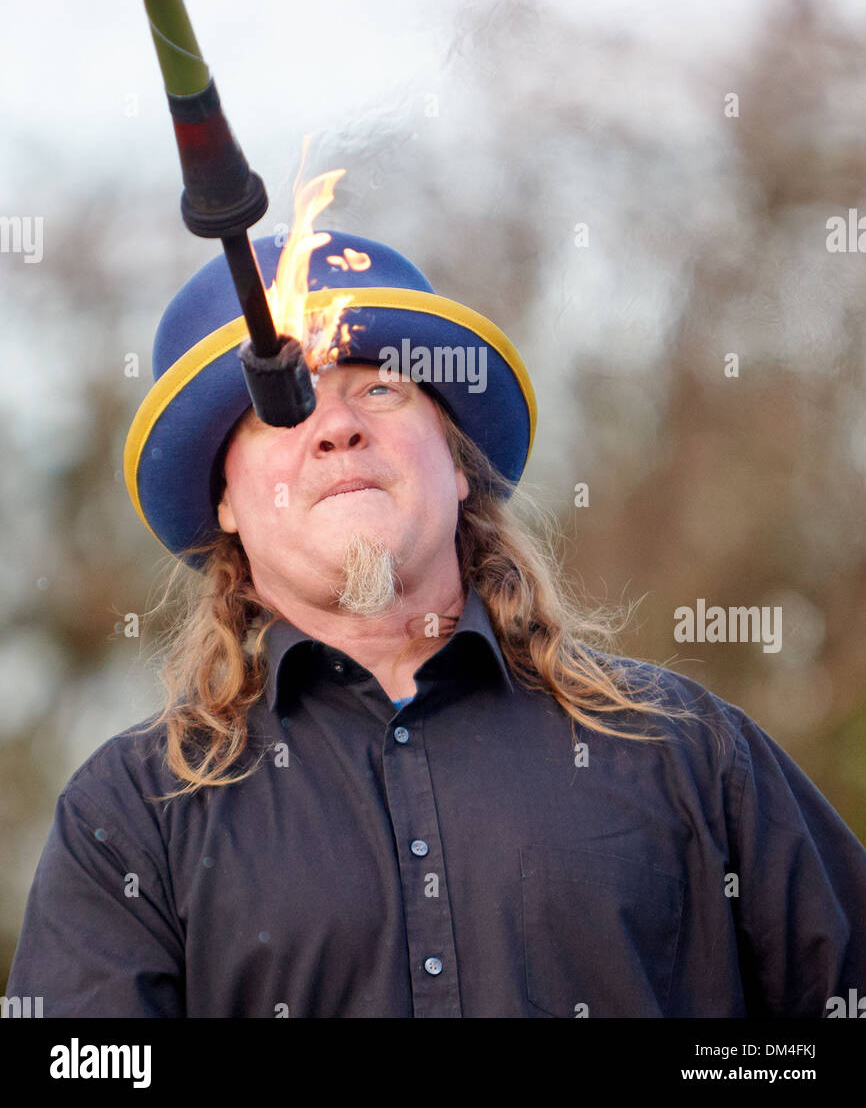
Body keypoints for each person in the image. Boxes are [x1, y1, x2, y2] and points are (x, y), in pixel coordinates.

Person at [5, 229, 866, 1019]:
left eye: (379, 388)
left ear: (456, 467)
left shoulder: (689, 752)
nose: (336, 426)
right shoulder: (128, 815)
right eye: (282, 408)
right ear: (225, 501)